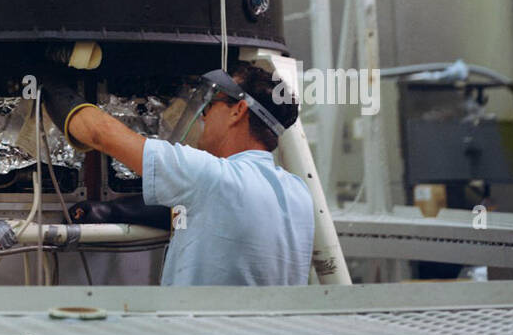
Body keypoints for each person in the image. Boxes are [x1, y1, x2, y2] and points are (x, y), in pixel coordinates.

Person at [41, 63, 315, 285]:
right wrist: (112, 211)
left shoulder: (212, 176)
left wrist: (47, 80)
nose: (204, 117)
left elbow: (98, 133)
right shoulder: (298, 193)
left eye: (211, 105)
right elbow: (211, 218)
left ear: (238, 111)